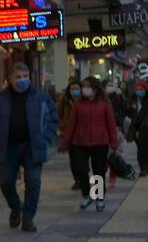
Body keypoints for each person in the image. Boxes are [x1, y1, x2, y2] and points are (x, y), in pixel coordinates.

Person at [0, 59, 58, 233]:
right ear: (10, 78)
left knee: (33, 182)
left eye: (25, 76)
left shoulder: (40, 98)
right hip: (9, 148)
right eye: (18, 77)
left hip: (32, 147)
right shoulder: (0, 100)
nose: (22, 80)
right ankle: (16, 207)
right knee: (5, 182)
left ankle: (28, 218)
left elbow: (53, 118)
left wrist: (45, 138)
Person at [61, 76, 120, 212]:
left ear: (95, 88)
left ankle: (99, 198)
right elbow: (71, 125)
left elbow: (111, 124)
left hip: (100, 142)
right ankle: (87, 195)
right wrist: (65, 143)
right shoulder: (78, 104)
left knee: (98, 171)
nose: (85, 89)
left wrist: (113, 142)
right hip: (79, 143)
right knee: (81, 170)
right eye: (84, 86)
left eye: (88, 86)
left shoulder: (105, 103)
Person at [60, 80, 83, 190]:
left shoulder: (85, 101)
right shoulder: (64, 101)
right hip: (70, 134)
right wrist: (62, 126)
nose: (75, 91)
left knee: (82, 159)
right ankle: (77, 180)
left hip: (83, 134)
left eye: (77, 89)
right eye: (72, 89)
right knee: (73, 159)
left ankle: (83, 178)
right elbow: (58, 114)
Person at [130, 82, 148, 176]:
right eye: (137, 89)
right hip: (136, 130)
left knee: (143, 149)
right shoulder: (133, 101)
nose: (139, 91)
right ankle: (143, 167)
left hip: (145, 129)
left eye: (141, 89)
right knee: (140, 149)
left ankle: (144, 168)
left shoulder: (146, 101)